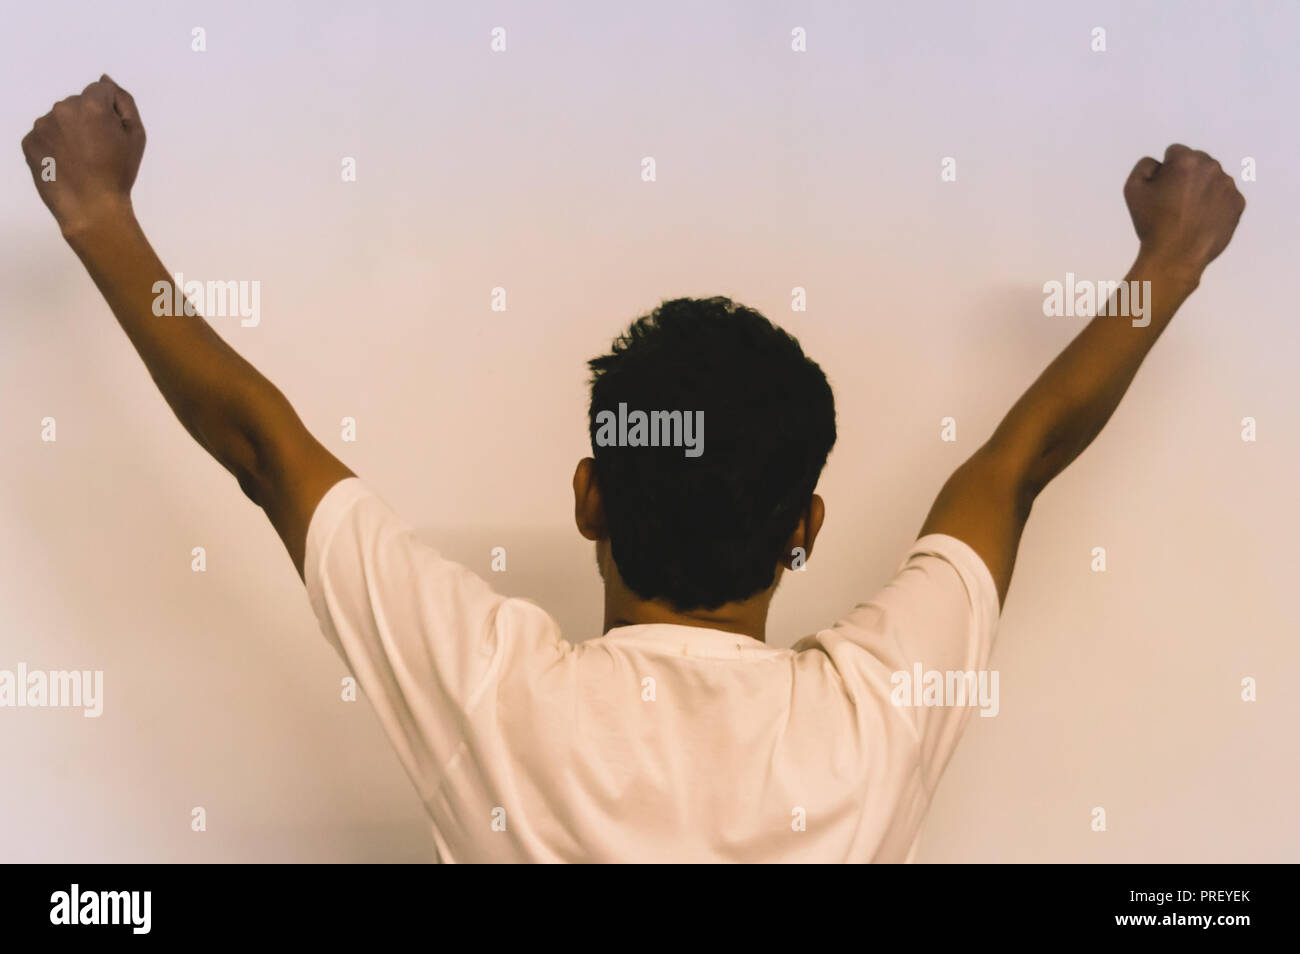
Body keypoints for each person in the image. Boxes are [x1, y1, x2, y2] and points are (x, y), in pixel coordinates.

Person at [21, 75, 1245, 862]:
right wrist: (1170, 259)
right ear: (803, 526)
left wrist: (97, 212)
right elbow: (1016, 468)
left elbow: (261, 452)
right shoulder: (869, 720)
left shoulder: (500, 699)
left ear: (588, 496)